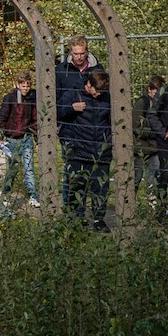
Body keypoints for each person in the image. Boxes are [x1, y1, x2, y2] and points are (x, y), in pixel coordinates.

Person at [58, 70, 113, 231]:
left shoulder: (106, 98)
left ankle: (98, 220)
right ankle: (76, 219)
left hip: (101, 150)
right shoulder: (73, 95)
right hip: (79, 150)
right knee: (77, 186)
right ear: (88, 85)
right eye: (96, 91)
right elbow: (57, 112)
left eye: (101, 92)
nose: (98, 95)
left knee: (100, 187)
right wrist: (71, 108)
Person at [55, 36, 104, 205]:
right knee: (72, 171)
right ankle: (72, 210)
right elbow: (56, 100)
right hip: (69, 128)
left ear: (86, 52)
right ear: (71, 52)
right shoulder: (62, 71)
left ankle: (96, 212)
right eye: (76, 54)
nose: (79, 57)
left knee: (96, 172)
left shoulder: (97, 69)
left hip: (94, 127)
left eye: (82, 53)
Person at [0, 72, 40, 207]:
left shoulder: (33, 98)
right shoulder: (9, 98)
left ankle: (33, 195)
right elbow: (1, 118)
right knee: (13, 168)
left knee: (29, 168)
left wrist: (37, 140)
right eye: (23, 85)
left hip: (26, 139)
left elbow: (35, 119)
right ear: (17, 84)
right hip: (12, 139)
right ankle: (6, 194)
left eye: (28, 85)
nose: (25, 88)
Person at [134, 76, 164, 194]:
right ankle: (129, 206)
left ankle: (153, 206)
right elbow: (135, 126)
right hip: (140, 148)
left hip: (155, 148)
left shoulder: (162, 105)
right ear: (149, 90)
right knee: (136, 177)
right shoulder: (142, 103)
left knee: (155, 178)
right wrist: (156, 132)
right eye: (156, 91)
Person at [147, 76, 168, 224]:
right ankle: (161, 212)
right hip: (166, 142)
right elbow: (152, 115)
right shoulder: (163, 92)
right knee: (165, 175)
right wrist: (163, 132)